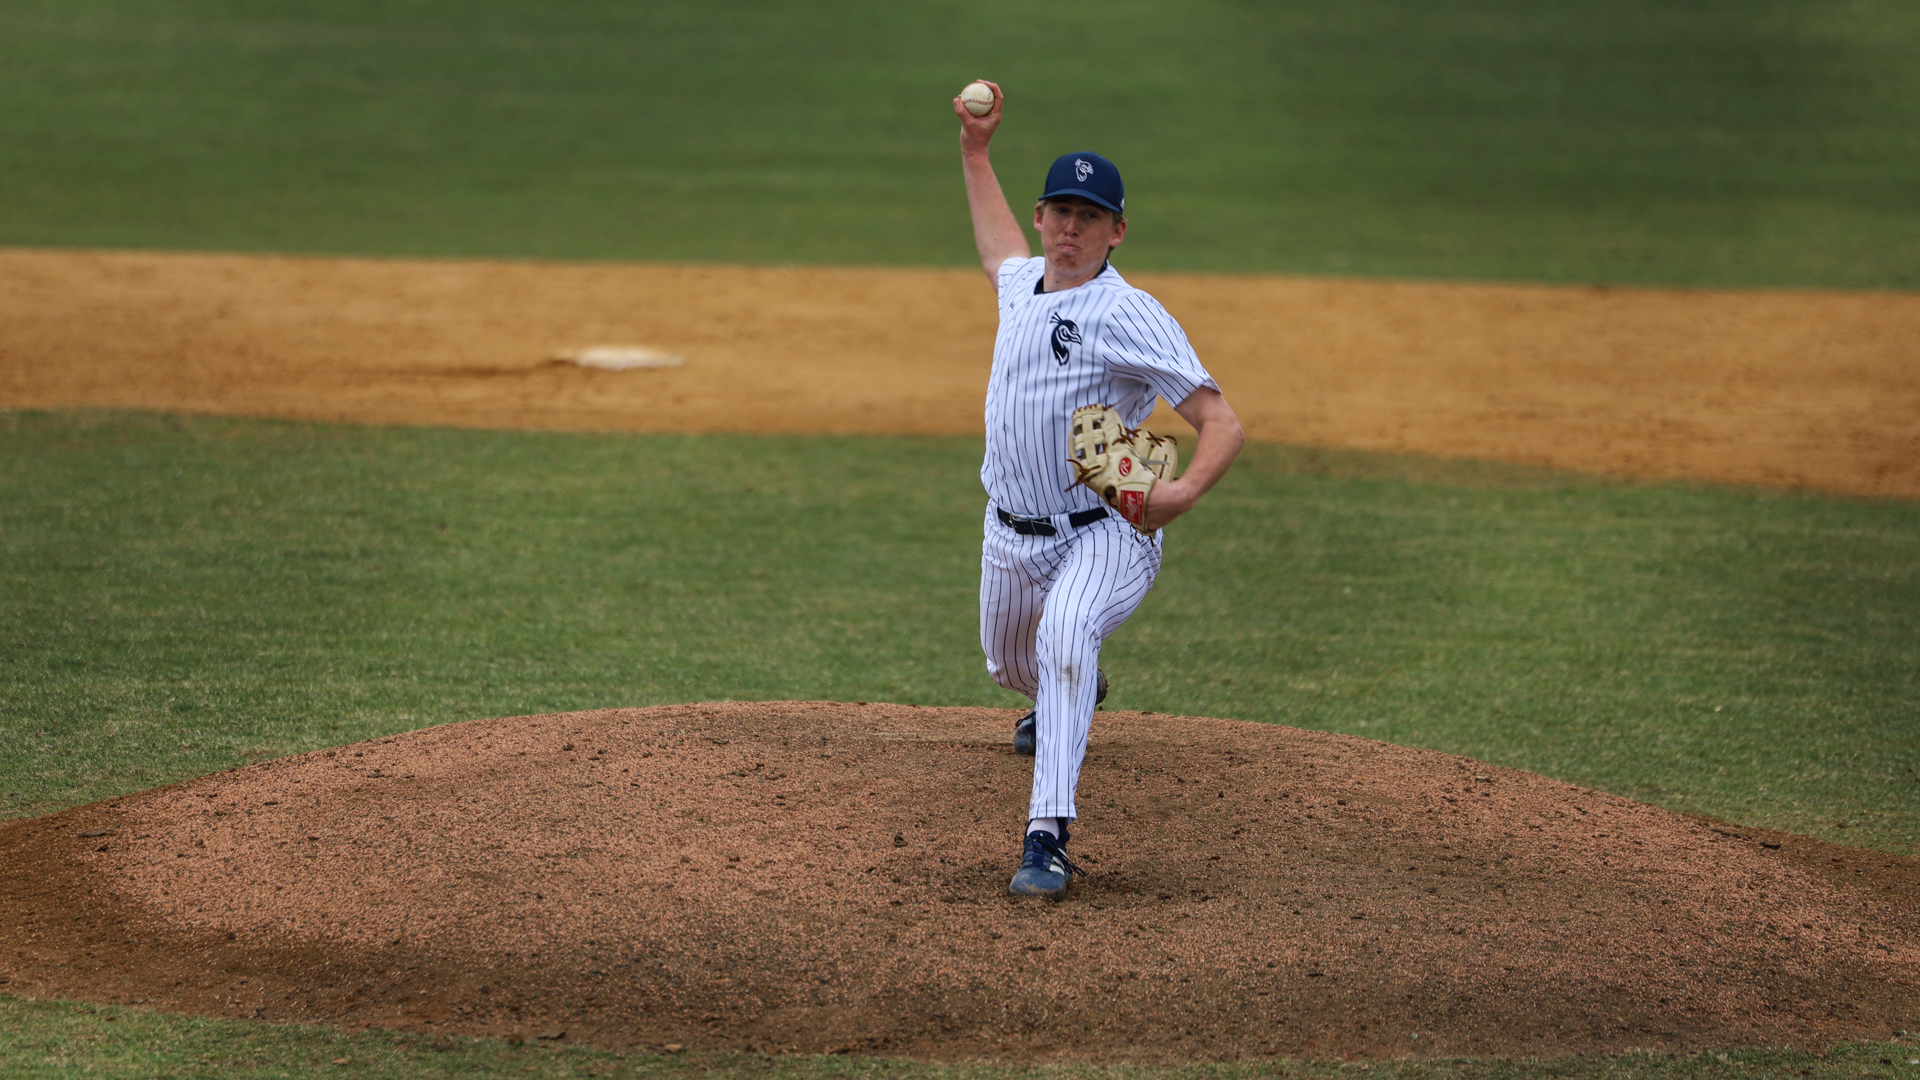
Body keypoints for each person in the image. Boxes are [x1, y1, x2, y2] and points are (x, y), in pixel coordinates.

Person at [953, 81, 1246, 899]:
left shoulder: (1129, 312)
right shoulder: (1022, 286)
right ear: (1044, 220)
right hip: (1010, 532)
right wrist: (977, 152)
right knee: (1013, 662)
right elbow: (994, 249)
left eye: (1089, 216)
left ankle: (1046, 836)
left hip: (1106, 526)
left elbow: (1220, 422)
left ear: (1116, 231)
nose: (1070, 228)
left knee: (1067, 635)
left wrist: (1178, 495)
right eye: (1059, 212)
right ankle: (1060, 696)